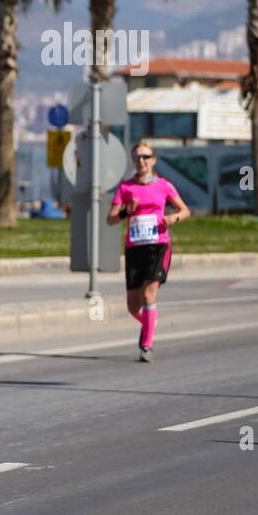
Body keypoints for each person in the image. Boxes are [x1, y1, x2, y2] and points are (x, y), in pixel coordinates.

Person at [106, 140, 191, 362]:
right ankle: (150, 324)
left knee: (148, 294)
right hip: (135, 248)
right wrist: (126, 211)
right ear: (133, 162)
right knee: (133, 306)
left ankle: (146, 344)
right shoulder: (125, 188)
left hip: (158, 245)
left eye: (145, 157)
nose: (141, 161)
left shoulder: (164, 185)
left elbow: (185, 210)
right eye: (137, 157)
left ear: (153, 160)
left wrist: (174, 217)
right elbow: (110, 219)